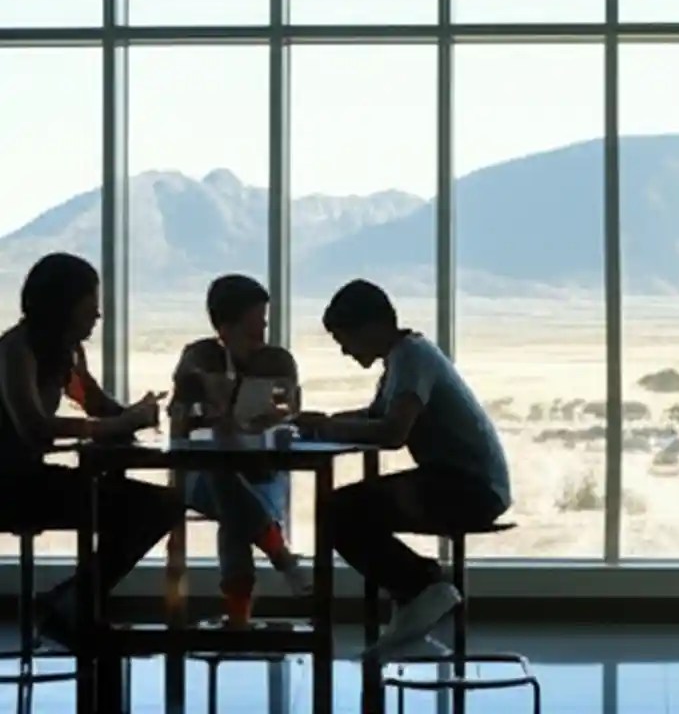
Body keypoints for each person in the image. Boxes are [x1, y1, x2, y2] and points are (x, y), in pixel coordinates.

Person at [294, 280, 511, 661]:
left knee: (338, 511)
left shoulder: (411, 358)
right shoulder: (402, 358)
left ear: (372, 327)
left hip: (467, 488)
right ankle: (414, 597)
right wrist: (322, 422)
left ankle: (422, 586)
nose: (344, 350)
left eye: (345, 338)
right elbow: (375, 416)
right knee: (345, 509)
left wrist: (328, 428)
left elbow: (393, 432)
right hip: (461, 482)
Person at [0, 253, 183, 649]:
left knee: (161, 505)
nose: (97, 316)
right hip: (10, 487)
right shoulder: (17, 350)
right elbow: (34, 427)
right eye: (90, 304)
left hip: (29, 479)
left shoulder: (66, 354)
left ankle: (71, 603)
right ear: (65, 305)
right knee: (152, 507)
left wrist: (138, 412)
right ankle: (71, 605)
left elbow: (99, 407)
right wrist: (122, 423)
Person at [168, 274, 311, 629]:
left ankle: (238, 617)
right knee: (221, 474)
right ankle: (281, 555)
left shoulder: (277, 363)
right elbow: (177, 418)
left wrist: (278, 417)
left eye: (262, 327)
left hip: (262, 476)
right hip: (207, 478)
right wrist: (204, 408)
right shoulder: (199, 359)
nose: (261, 339)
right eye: (251, 332)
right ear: (224, 329)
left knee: (231, 501)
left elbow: (293, 414)